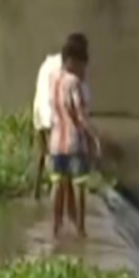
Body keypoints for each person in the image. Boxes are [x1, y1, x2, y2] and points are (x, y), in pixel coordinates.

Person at [48, 35, 98, 239]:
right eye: (82, 64)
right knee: (79, 185)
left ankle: (56, 226)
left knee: (57, 185)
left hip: (55, 141)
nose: (83, 70)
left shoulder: (53, 78)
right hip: (74, 142)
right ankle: (80, 227)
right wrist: (93, 139)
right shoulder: (74, 83)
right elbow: (80, 115)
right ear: (73, 61)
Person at [32, 34, 87, 201]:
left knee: (49, 160)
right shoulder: (67, 73)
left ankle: (39, 194)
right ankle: (68, 215)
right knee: (66, 172)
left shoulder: (49, 63)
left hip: (42, 116)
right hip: (56, 119)